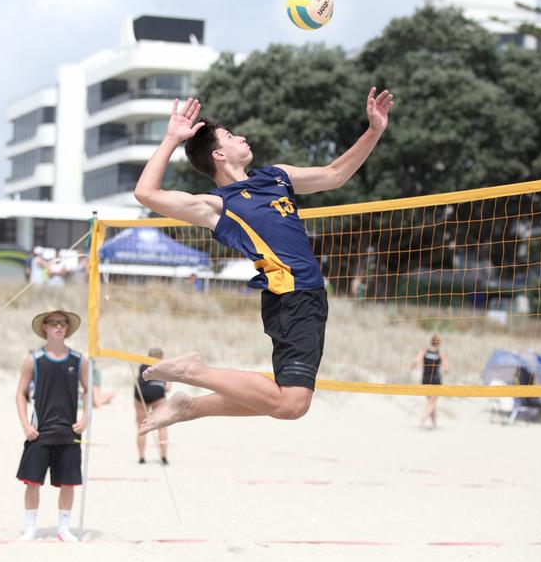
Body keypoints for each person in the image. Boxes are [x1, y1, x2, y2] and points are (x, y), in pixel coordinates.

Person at [132, 89, 394, 435]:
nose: (241, 136)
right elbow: (146, 194)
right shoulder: (217, 205)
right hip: (291, 295)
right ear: (219, 154)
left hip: (309, 296)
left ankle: (190, 406)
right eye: (230, 135)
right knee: (291, 404)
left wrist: (374, 130)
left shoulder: (276, 176)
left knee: (289, 402)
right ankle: (194, 372)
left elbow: (335, 174)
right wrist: (171, 139)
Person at [15, 308, 90, 542]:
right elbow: (20, 394)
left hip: (69, 431)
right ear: (45, 327)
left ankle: (63, 529)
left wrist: (85, 419)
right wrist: (25, 425)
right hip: (40, 431)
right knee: (32, 482)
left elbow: (89, 391)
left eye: (63, 323)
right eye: (53, 322)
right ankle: (30, 528)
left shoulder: (79, 360)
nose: (58, 326)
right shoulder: (34, 360)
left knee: (68, 482)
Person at [134, 348, 171, 464]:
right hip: (157, 392)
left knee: (141, 426)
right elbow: (168, 388)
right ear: (161, 357)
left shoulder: (143, 366)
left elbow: (139, 380)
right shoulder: (164, 367)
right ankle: (163, 456)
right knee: (162, 426)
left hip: (141, 393)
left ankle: (141, 457)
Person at [410, 335, 447, 429]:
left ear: (431, 342)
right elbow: (446, 368)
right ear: (439, 343)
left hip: (425, 379)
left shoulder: (424, 351)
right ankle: (423, 418)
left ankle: (434, 424)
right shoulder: (440, 353)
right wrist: (446, 371)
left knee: (431, 402)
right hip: (435, 379)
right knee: (432, 403)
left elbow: (416, 360)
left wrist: (413, 366)